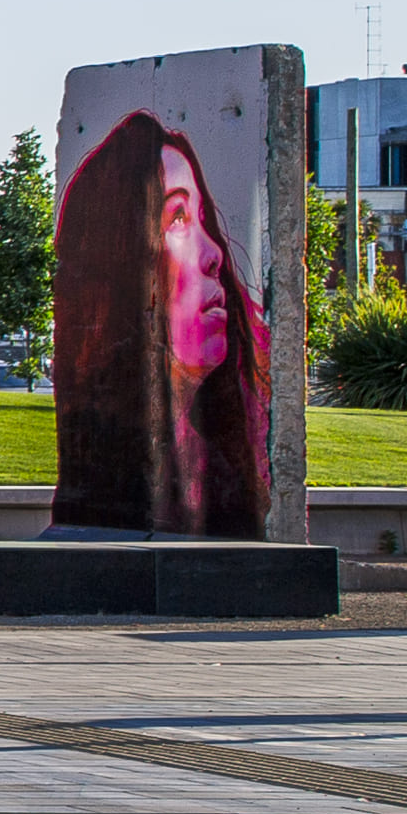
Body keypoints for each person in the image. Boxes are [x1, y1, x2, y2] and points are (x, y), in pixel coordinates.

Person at [52, 111, 268, 538]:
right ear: (122, 258)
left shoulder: (233, 462)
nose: (214, 255)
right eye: (178, 218)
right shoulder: (109, 478)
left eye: (203, 219)